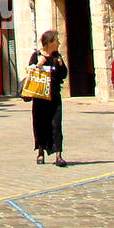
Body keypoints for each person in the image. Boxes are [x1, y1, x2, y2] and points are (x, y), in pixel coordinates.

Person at [29, 30, 69, 166]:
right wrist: (39, 65)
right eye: (57, 41)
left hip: (54, 96)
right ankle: (40, 152)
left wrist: (61, 65)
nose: (59, 43)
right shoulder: (37, 56)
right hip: (40, 97)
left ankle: (58, 155)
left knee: (56, 125)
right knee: (40, 124)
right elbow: (30, 73)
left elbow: (64, 75)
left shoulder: (57, 56)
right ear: (50, 42)